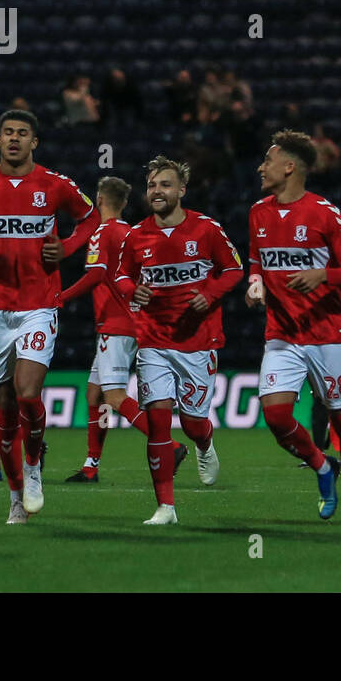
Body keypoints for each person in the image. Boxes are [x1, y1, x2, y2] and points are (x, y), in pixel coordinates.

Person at [0, 110, 100, 524]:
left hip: (39, 304)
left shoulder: (54, 185)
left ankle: (33, 466)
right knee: (4, 406)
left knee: (28, 391)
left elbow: (91, 218)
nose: (14, 139)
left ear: (35, 142)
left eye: (22, 134)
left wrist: (68, 249)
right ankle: (15, 496)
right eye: (7, 133)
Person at [245, 131, 341, 536]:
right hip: (282, 333)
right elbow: (256, 259)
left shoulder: (325, 212)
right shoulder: (257, 212)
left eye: (268, 160)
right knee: (274, 415)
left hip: (328, 333)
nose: (260, 168)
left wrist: (323, 274)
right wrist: (255, 281)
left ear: (289, 166)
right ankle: (323, 466)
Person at [110, 158, 243, 524]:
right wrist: (132, 290)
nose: (157, 191)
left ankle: (203, 443)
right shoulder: (137, 236)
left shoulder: (206, 229)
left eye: (165, 185)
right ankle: (166, 507)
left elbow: (234, 268)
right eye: (152, 185)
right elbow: (120, 276)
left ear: (181, 190)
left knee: (192, 421)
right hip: (154, 339)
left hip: (198, 341)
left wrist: (211, 294)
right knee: (157, 421)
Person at [61, 176, 188, 484]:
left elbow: (96, 275)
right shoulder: (134, 233)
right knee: (95, 395)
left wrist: (59, 298)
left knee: (115, 396)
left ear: (100, 201)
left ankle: (169, 446)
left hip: (116, 325)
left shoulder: (102, 232)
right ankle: (91, 466)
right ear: (125, 202)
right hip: (134, 321)